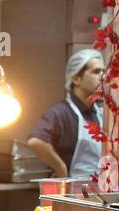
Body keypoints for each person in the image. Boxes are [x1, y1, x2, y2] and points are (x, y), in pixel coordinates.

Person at [26, 48, 105, 179]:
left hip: (99, 191)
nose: (103, 77)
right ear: (76, 79)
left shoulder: (100, 112)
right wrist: (60, 168)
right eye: (96, 72)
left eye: (103, 71)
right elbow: (36, 141)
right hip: (74, 193)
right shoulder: (61, 113)